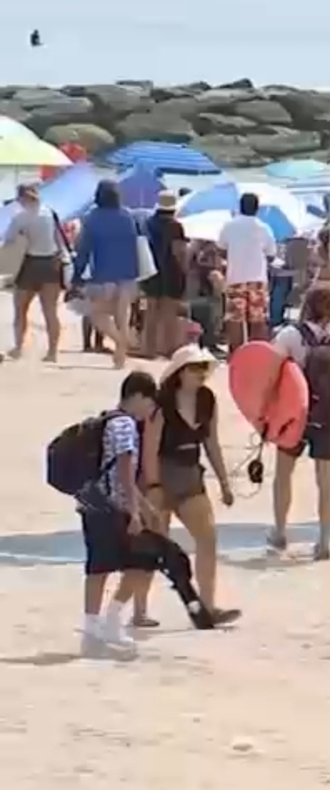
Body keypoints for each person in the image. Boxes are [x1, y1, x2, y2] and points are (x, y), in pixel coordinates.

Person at [140, 345, 240, 626]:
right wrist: (153, 486)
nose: (202, 374)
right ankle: (139, 610)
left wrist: (224, 481)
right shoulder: (161, 405)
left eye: (204, 368)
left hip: (190, 477)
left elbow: (211, 443)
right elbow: (150, 449)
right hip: (161, 476)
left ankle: (207, 606)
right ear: (180, 373)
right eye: (195, 368)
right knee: (152, 549)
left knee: (208, 538)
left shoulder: (208, 400)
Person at [77, 372, 163, 657]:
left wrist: (144, 506)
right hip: (113, 508)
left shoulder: (107, 419)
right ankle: (112, 620)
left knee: (97, 567)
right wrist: (136, 512)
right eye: (150, 403)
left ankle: (91, 629)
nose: (150, 411)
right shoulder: (125, 425)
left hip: (92, 504)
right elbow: (125, 471)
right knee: (144, 560)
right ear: (138, 396)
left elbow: (112, 470)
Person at [270, 284, 330, 559]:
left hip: (295, 415)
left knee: (284, 474)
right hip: (329, 416)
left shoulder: (290, 335)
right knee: (326, 481)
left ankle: (281, 532)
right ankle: (325, 541)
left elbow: (270, 371)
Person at [71, 180, 142, 368]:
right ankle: (120, 358)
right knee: (122, 316)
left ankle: (120, 341)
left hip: (103, 274)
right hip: (128, 273)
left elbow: (84, 250)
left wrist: (77, 275)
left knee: (95, 313)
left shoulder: (92, 218)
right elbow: (135, 245)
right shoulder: (128, 216)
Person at [4, 182, 66, 362]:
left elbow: (9, 240)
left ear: (22, 198)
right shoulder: (49, 212)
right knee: (50, 311)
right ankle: (52, 352)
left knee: (21, 309)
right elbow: (59, 240)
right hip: (51, 263)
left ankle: (18, 348)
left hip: (30, 263)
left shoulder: (21, 217)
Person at [216, 193, 276, 351]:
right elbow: (271, 254)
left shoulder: (229, 226)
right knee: (258, 319)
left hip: (235, 278)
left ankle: (236, 354)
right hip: (257, 279)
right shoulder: (263, 227)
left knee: (235, 319)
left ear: (240, 206)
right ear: (257, 208)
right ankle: (256, 353)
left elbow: (221, 250)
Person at [139, 191, 189, 358]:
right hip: (171, 272)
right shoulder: (175, 226)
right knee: (169, 314)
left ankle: (149, 350)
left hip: (150, 271)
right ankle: (169, 351)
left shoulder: (148, 223)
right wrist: (185, 270)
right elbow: (178, 251)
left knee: (151, 313)